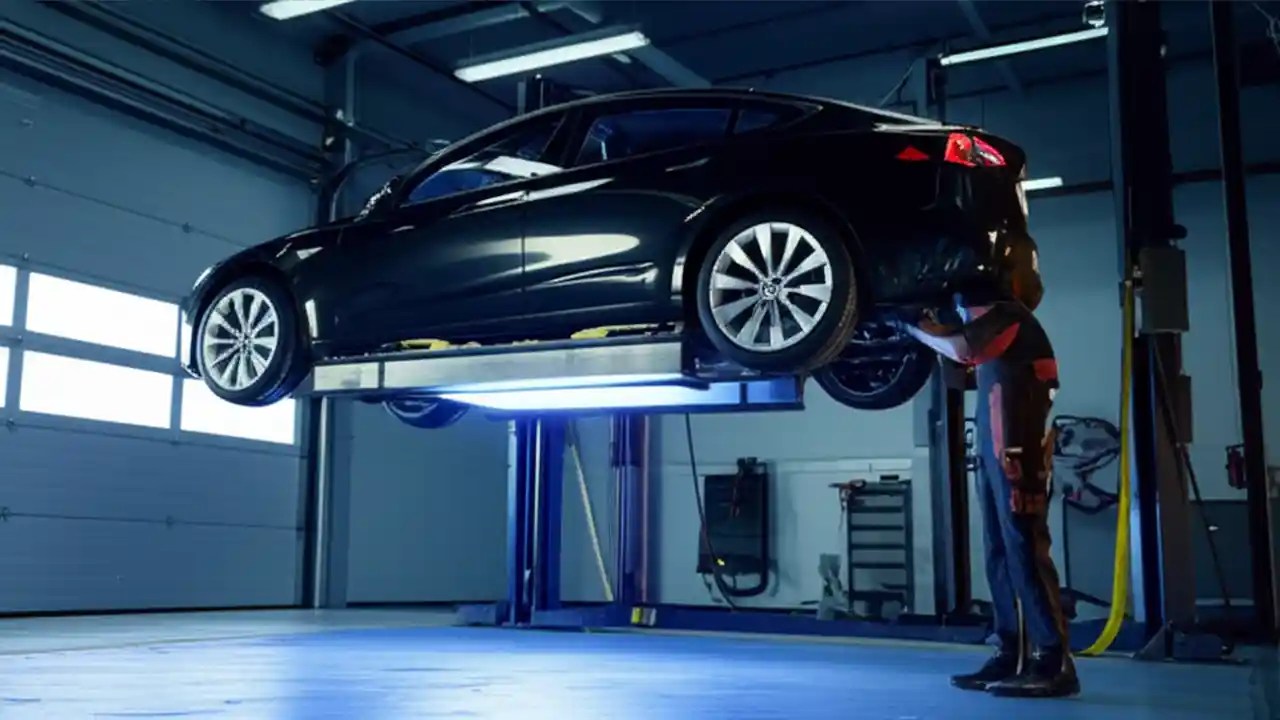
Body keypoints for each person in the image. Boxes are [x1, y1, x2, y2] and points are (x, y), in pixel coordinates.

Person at [896, 240, 1080, 699]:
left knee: (1024, 547)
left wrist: (915, 326)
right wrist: (928, 329)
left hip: (1020, 460)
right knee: (998, 550)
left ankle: (1053, 661)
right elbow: (959, 373)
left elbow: (962, 352)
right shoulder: (984, 325)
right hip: (998, 457)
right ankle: (1010, 651)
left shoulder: (1008, 316)